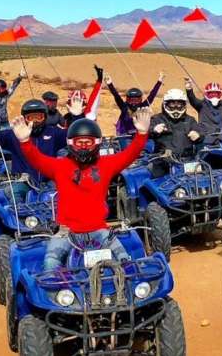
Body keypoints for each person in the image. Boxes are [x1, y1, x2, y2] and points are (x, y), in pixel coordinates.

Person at [12, 108, 150, 272]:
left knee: (126, 264)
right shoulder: (60, 166)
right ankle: (63, 295)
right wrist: (25, 141)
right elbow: (37, 159)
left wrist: (142, 133)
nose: (84, 147)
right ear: (70, 143)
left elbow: (130, 154)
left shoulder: (107, 164)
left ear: (97, 143)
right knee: (50, 265)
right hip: (66, 232)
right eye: (79, 142)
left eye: (88, 142)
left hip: (100, 230)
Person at [0, 99, 68, 201]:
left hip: (49, 181)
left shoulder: (53, 133)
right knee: (15, 201)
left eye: (39, 117)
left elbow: (73, 136)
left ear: (45, 117)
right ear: (24, 118)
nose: (35, 122)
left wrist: (77, 115)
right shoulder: (15, 133)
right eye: (30, 118)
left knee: (63, 199)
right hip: (23, 181)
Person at [185, 77, 222, 145]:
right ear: (206, 94)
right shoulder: (201, 105)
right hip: (205, 139)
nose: (214, 96)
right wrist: (189, 89)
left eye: (216, 94)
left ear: (220, 94)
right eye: (211, 94)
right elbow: (192, 99)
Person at [149, 88, 203, 160]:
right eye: (172, 103)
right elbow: (145, 133)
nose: (176, 107)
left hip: (186, 160)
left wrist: (198, 135)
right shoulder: (157, 119)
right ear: (166, 104)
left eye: (179, 104)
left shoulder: (190, 120)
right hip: (162, 160)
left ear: (184, 104)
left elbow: (201, 133)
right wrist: (154, 130)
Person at [106, 71, 164, 137]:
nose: (133, 103)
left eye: (136, 100)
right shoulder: (124, 107)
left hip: (138, 136)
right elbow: (116, 95)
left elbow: (152, 95)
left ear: (140, 100)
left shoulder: (143, 106)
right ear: (127, 100)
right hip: (123, 136)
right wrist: (109, 84)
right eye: (131, 100)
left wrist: (159, 81)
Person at [59, 65, 105, 131]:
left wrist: (99, 80)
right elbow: (94, 96)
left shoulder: (67, 117)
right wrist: (99, 80)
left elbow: (94, 96)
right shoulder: (88, 114)